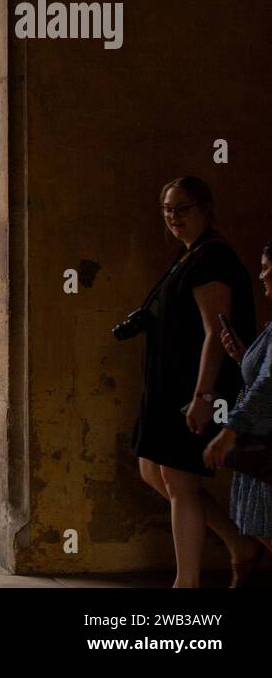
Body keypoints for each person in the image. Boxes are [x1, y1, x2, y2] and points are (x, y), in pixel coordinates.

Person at [132, 176, 256, 588]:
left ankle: (186, 583)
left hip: (193, 390)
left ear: (206, 208)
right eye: (168, 209)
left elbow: (214, 334)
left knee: (179, 482)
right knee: (153, 470)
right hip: (167, 387)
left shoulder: (211, 261)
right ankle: (239, 543)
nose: (174, 217)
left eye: (183, 208)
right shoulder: (189, 255)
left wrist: (203, 396)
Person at [203, 239, 272, 585]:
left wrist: (227, 432)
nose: (261, 276)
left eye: (266, 268)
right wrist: (243, 355)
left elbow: (267, 385)